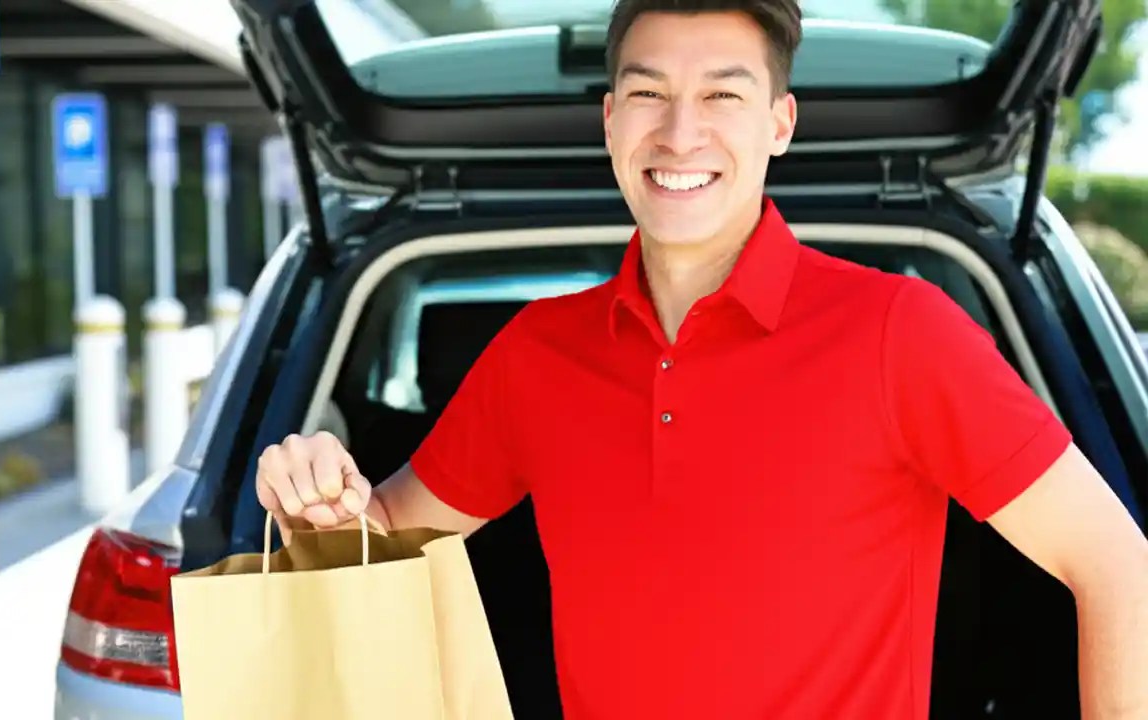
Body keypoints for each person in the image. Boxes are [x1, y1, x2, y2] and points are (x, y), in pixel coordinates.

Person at [255, 1, 1148, 717]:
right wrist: (318, 499)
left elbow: (1116, 564)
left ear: (780, 121)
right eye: (648, 93)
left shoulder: (900, 333)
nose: (681, 134)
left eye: (723, 94)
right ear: (610, 120)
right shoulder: (536, 357)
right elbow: (380, 543)